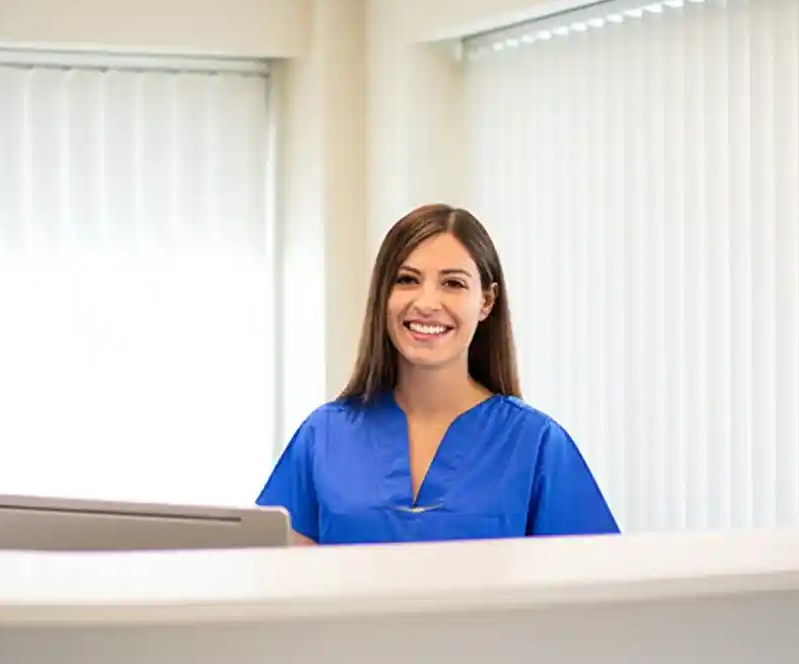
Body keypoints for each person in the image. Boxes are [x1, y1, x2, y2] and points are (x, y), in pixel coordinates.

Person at [257, 203, 619, 545]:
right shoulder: (323, 437)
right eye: (406, 279)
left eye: (453, 283)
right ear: (383, 296)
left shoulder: (536, 444)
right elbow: (275, 583)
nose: (427, 303)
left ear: (486, 302)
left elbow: (598, 593)